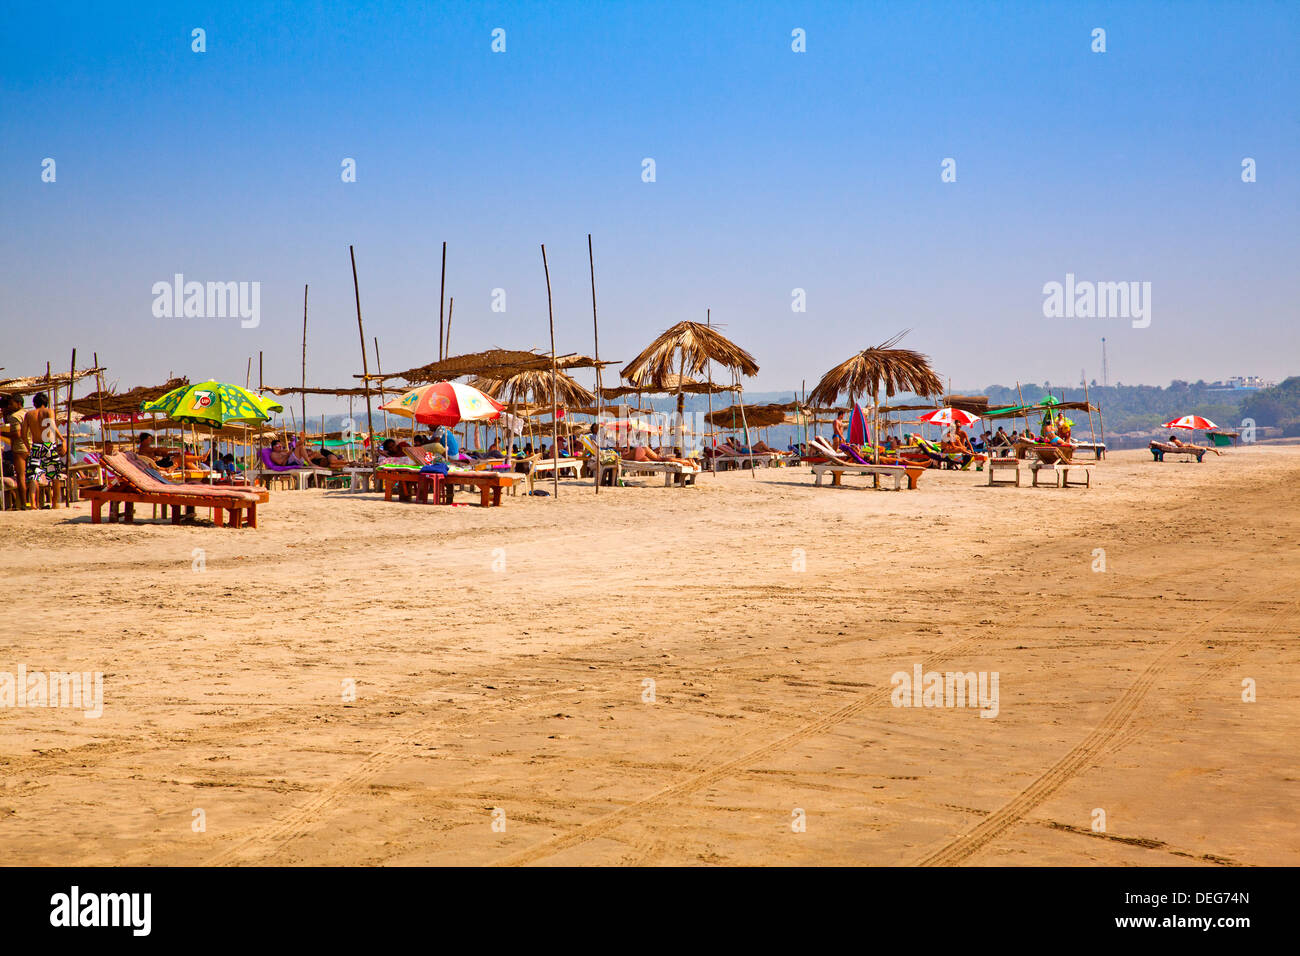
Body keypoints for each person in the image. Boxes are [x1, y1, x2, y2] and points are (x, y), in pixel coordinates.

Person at [2, 394, 30, 509]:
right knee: (32, 476)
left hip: (20, 448)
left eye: (11, 403)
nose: (9, 406)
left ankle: (24, 503)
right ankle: (32, 502)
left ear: (18, 403)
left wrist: (2, 433)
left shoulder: (15, 416)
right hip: (30, 445)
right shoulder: (28, 414)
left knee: (21, 476)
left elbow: (17, 434)